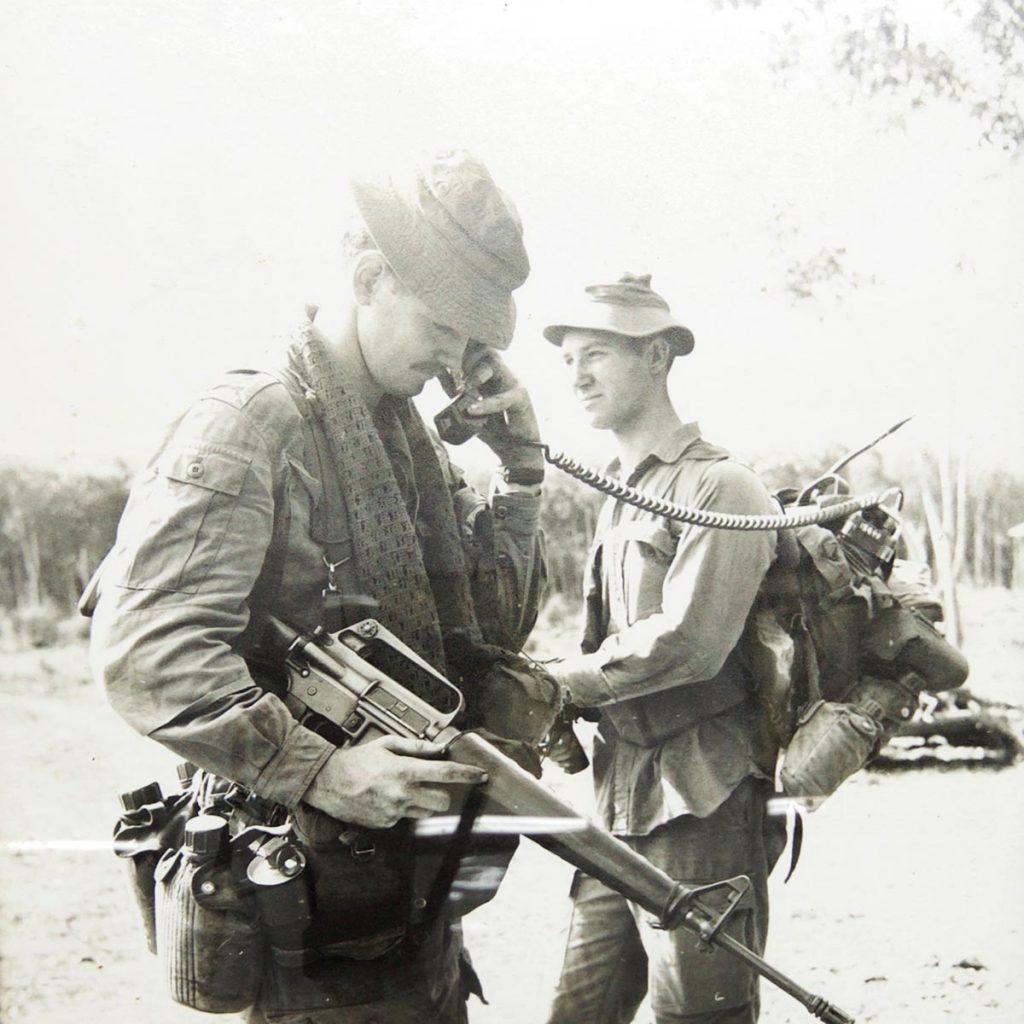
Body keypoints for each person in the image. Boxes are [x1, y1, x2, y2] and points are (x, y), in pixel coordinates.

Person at [89, 150, 556, 1024]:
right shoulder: (250, 422)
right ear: (370, 277)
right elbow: (148, 653)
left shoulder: (409, 441)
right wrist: (324, 770)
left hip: (410, 906)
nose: (455, 359)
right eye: (443, 326)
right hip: (301, 913)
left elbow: (491, 631)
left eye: (472, 341)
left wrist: (522, 474)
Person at [541, 273, 786, 1024]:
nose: (577, 376)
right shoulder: (621, 493)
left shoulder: (722, 486)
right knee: (578, 1012)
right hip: (620, 796)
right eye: (569, 359)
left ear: (656, 357)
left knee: (699, 1017)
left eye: (597, 354)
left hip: (702, 799)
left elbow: (691, 643)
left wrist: (557, 684)